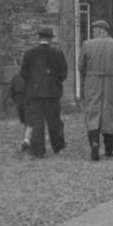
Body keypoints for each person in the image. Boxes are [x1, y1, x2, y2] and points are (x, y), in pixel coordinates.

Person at [79, 20, 113, 160]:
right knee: (110, 112)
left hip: (92, 81)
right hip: (112, 81)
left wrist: (90, 72)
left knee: (92, 112)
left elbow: (80, 66)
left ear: (101, 30)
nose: (93, 33)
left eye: (94, 31)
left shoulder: (87, 44)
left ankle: (94, 144)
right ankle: (109, 149)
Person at [19, 26, 68, 158]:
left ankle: (38, 150)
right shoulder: (57, 53)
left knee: (37, 121)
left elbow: (23, 73)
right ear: (50, 39)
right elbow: (63, 73)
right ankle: (58, 146)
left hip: (34, 93)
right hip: (53, 93)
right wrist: (55, 82)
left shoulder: (29, 53)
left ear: (39, 37)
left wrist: (32, 83)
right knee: (54, 121)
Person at [11, 72, 31, 153]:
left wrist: (16, 100)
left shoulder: (15, 77)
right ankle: (27, 141)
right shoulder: (30, 77)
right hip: (28, 102)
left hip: (19, 104)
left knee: (26, 122)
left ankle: (26, 140)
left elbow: (11, 92)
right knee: (30, 122)